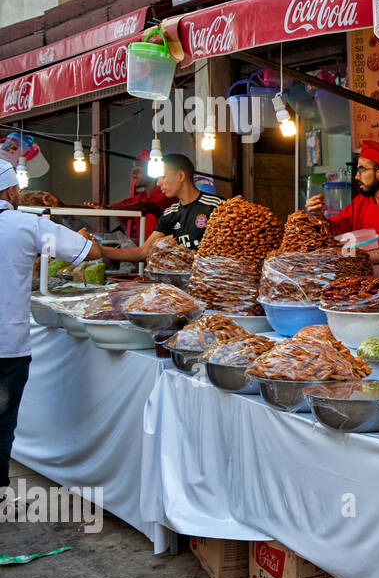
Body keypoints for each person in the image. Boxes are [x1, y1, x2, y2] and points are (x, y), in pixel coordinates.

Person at [1, 160, 104, 511]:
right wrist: (84, 238)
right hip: (6, 346)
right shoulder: (27, 224)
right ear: (12, 192)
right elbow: (89, 252)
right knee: (1, 423)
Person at [304, 141, 379, 275]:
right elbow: (334, 230)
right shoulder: (360, 202)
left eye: (362, 169)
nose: (357, 176)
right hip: (357, 283)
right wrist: (318, 215)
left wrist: (355, 258)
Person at [83, 154, 222, 262]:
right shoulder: (170, 213)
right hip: (182, 289)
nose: (158, 182)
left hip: (215, 288)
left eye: (163, 176)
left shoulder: (217, 207)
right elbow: (143, 252)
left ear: (180, 176)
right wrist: (99, 250)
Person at [107, 150, 169, 238]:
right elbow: (109, 208)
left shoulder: (166, 194)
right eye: (133, 170)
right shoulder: (139, 198)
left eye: (138, 170)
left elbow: (147, 207)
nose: (132, 174)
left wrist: (111, 208)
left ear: (152, 171)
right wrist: (100, 207)